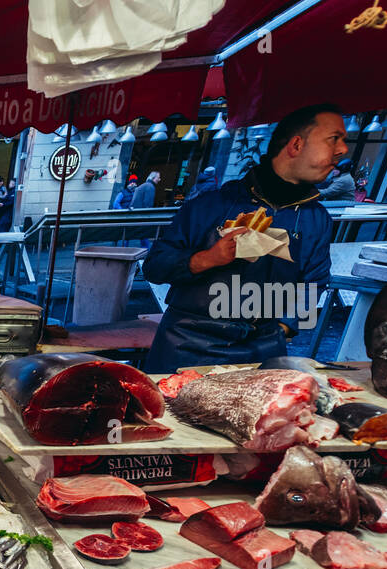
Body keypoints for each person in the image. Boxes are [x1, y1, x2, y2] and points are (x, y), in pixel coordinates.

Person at [142, 102, 347, 373]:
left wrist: (285, 325)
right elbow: (154, 266)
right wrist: (206, 259)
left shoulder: (317, 218)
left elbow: (315, 282)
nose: (343, 150)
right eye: (334, 139)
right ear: (296, 145)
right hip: (188, 345)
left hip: (263, 349)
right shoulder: (210, 204)